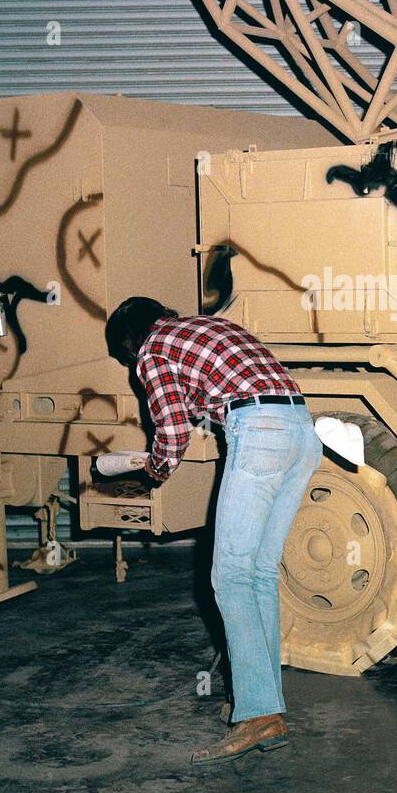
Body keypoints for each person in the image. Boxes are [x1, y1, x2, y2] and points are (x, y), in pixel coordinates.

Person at [105, 298, 323, 765]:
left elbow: (172, 427)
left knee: (230, 577)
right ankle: (263, 702)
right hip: (302, 432)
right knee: (260, 575)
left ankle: (260, 712)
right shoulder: (210, 326)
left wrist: (155, 469)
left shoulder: (152, 350)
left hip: (259, 431)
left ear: (129, 339)